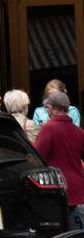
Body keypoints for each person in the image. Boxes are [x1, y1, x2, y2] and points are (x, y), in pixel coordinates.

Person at [35, 91, 84, 230]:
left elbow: (37, 158)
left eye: (47, 107)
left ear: (51, 107)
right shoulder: (78, 131)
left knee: (60, 233)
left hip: (58, 190)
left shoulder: (49, 128)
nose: (46, 110)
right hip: (77, 190)